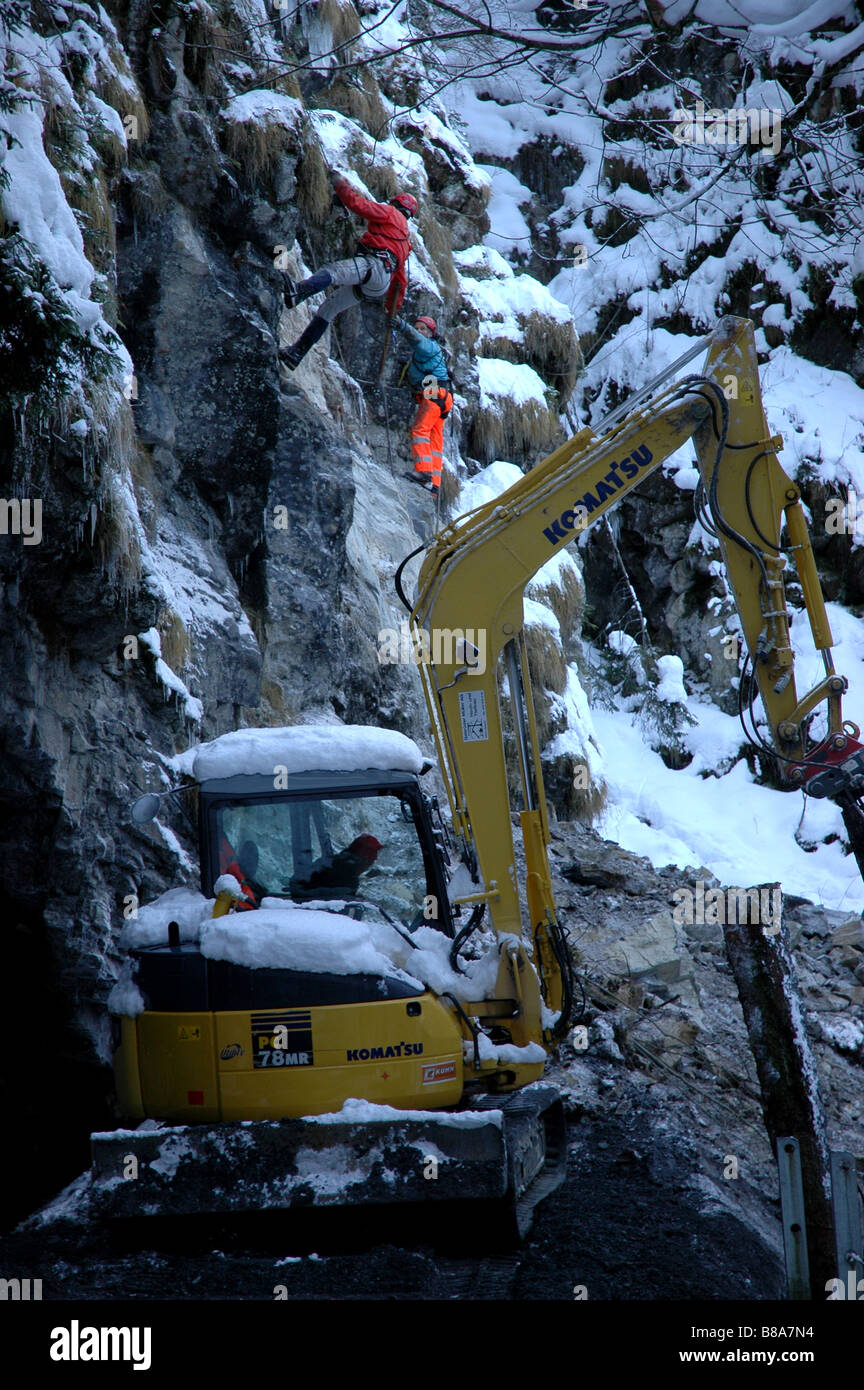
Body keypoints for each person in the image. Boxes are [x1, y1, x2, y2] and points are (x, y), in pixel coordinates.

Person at [279, 172, 417, 371]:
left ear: (396, 204)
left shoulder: (390, 213)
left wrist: (339, 184)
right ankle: (296, 354)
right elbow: (400, 282)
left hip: (373, 265)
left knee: (333, 272)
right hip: (380, 284)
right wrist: (391, 308)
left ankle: (297, 292)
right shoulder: (405, 243)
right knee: (329, 309)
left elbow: (358, 204)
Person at [394, 314, 453, 492]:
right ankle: (434, 484)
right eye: (417, 327)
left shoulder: (429, 346)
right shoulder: (425, 354)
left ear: (430, 333)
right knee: (435, 442)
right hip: (444, 397)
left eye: (423, 329)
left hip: (434, 395)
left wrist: (402, 325)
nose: (419, 331)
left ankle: (424, 472)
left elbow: (417, 340)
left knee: (420, 430)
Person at [290, 833, 383, 901]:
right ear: (364, 859)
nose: (367, 868)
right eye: (370, 862)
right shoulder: (347, 878)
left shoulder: (329, 862)